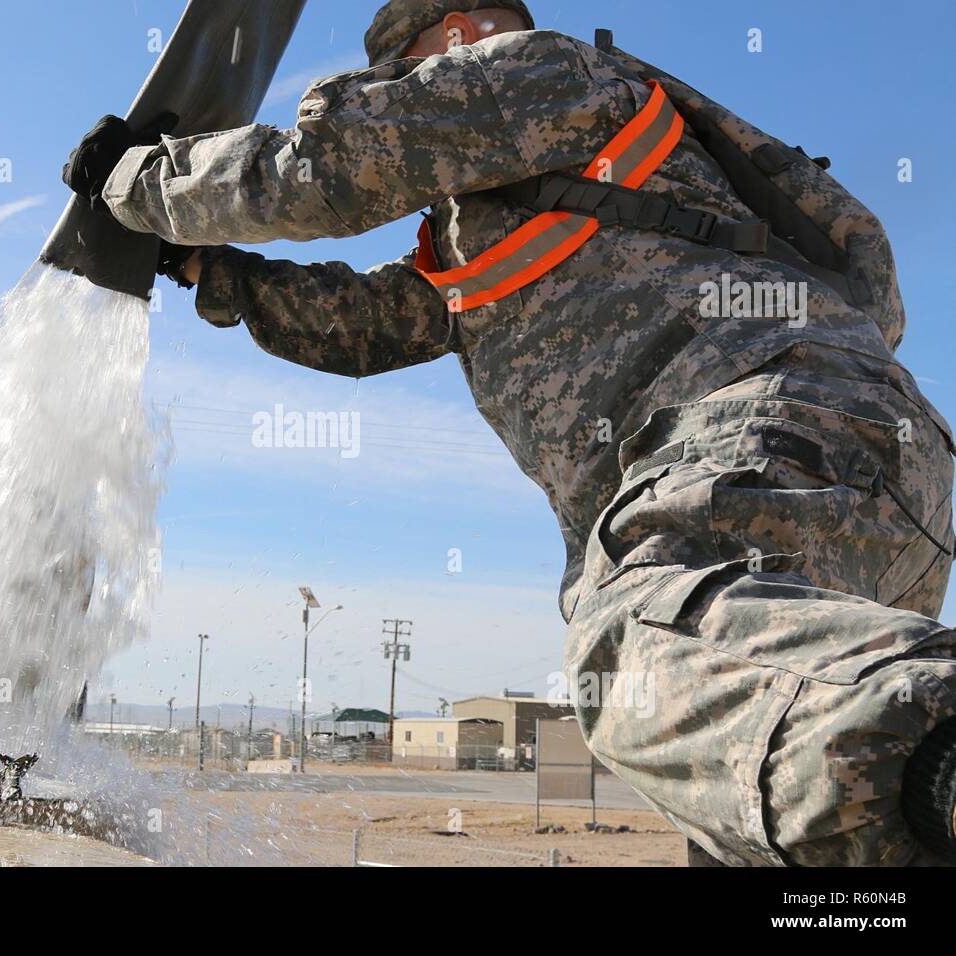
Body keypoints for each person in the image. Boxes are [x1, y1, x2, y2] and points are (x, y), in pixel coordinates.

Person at [64, 0, 956, 865]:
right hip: (873, 494)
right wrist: (202, 267)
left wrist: (138, 181)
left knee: (635, 648)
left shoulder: (539, 71)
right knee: (779, 790)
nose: (396, 92)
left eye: (400, 73)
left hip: (778, 427)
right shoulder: (490, 223)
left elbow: (324, 167)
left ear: (452, 34)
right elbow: (365, 322)